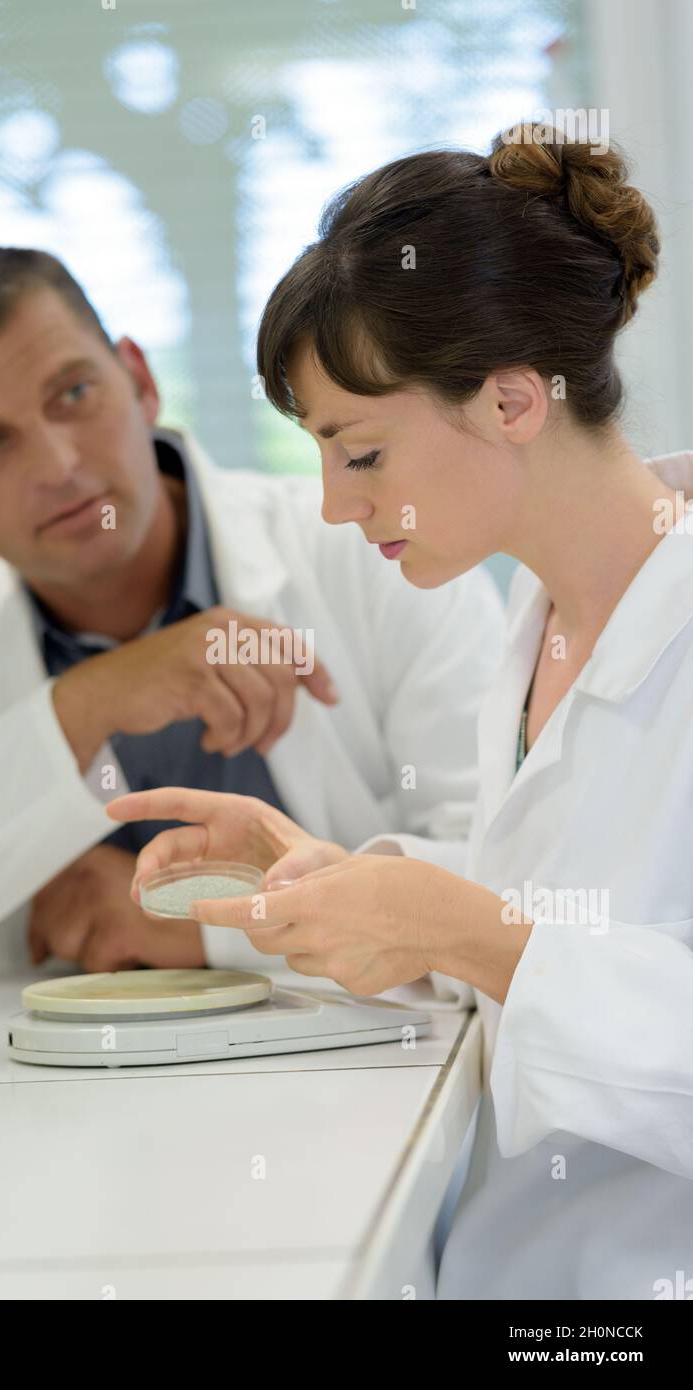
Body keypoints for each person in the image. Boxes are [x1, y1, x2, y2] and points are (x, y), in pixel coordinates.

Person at [108, 124, 693, 1300]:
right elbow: (583, 914)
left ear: (516, 400)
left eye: (361, 452)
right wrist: (336, 873)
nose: (333, 505)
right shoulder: (546, 618)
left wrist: (462, 930)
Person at [0, 248, 504, 977]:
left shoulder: (369, 546)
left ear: (140, 381)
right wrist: (82, 706)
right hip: (37, 1088)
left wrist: (201, 933)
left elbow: (503, 881)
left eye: (73, 395)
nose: (57, 466)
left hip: (377, 1076)